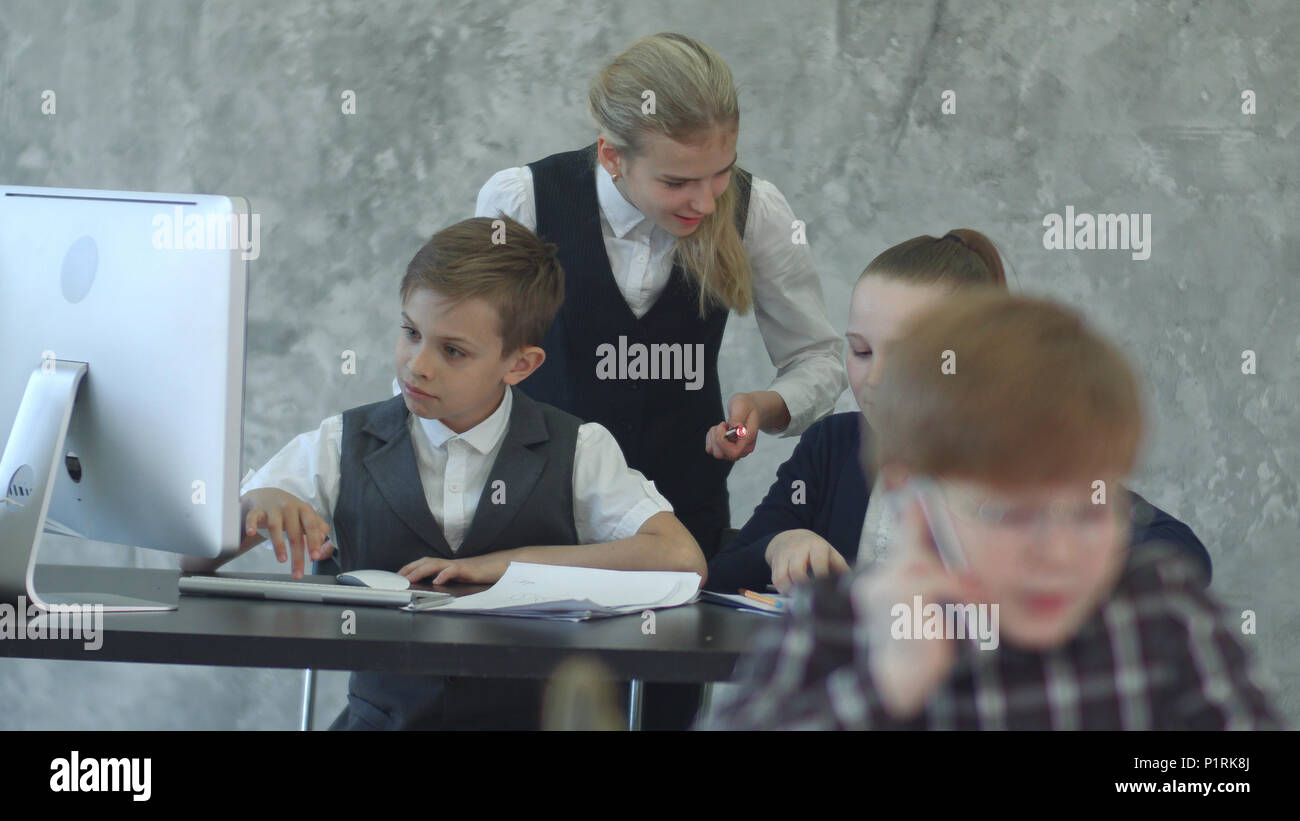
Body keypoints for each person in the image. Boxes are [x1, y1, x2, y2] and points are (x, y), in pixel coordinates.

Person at [186, 216, 705, 730]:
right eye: (411, 332)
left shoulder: (578, 450)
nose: (418, 365)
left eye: (452, 350)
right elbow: (191, 560)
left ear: (519, 365)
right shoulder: (340, 443)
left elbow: (681, 559)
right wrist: (255, 506)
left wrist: (511, 565)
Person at [699, 291, 1280, 730]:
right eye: (1012, 515)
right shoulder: (835, 630)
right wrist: (883, 688)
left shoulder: (1159, 613)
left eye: (1088, 511)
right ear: (918, 505)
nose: (1057, 552)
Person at [474, 32, 845, 560]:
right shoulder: (521, 200)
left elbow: (817, 357)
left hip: (684, 530)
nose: (706, 203)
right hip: (534, 523)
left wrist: (767, 406)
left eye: (720, 174)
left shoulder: (757, 209)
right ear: (612, 156)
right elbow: (461, 351)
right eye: (677, 182)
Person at [707, 230, 1211, 593]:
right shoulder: (832, 447)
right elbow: (723, 573)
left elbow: (1180, 557)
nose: (875, 378)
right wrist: (782, 544)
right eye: (861, 352)